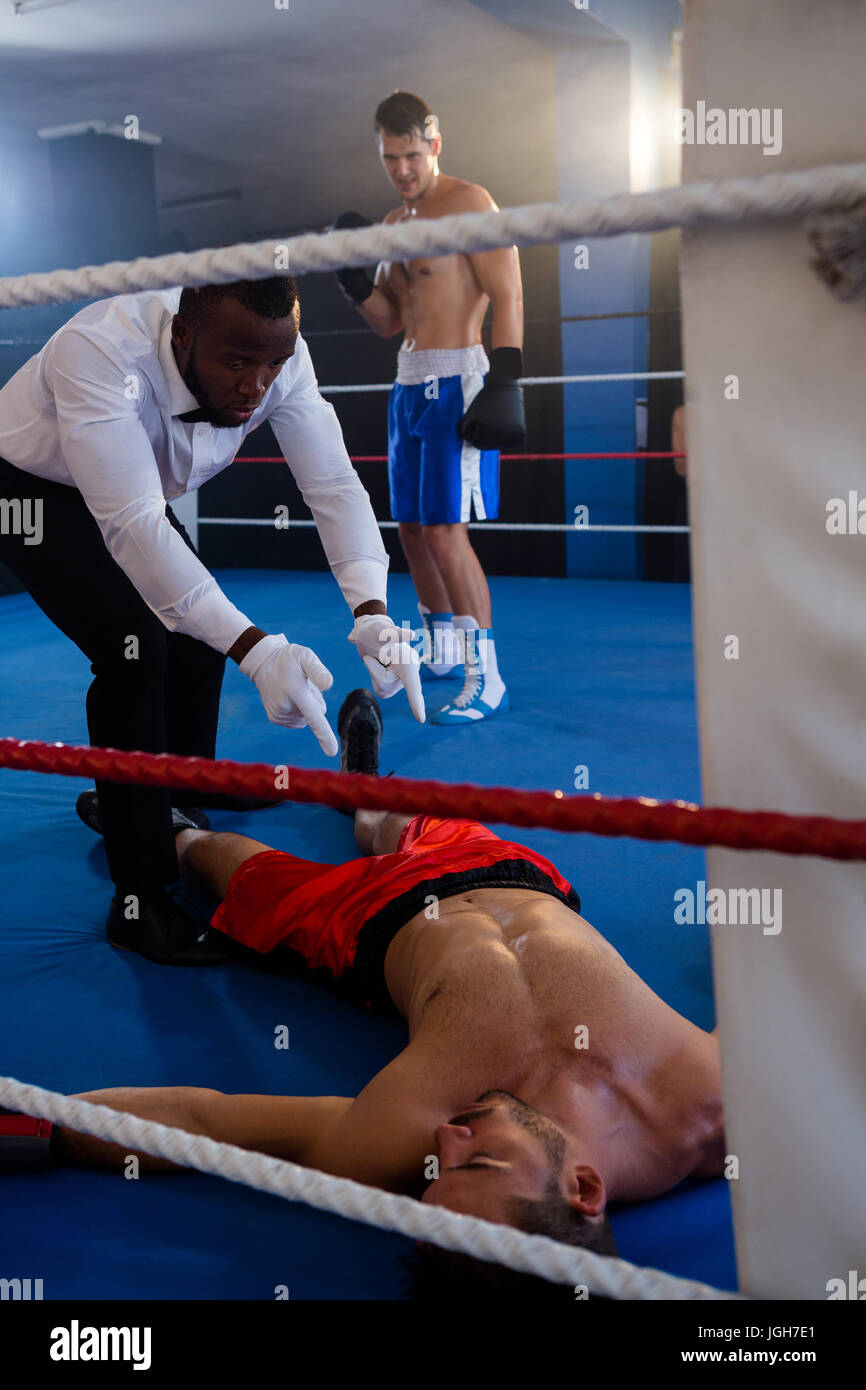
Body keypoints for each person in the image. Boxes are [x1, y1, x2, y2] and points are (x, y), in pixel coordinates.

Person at [7, 690, 725, 1295]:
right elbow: (806, 1004)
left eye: (434, 1173)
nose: (445, 1140)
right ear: (584, 1189)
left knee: (242, 877)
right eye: (475, 1160)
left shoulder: (398, 1135)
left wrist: (32, 1125)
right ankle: (363, 785)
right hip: (508, 875)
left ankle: (171, 833)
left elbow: (202, 1120)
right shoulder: (707, 1102)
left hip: (376, 923)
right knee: (396, 815)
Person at [0, 277, 421, 965]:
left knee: (197, 637)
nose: (257, 385)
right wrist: (257, 652)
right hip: (31, 488)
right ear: (183, 336)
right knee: (135, 652)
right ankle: (139, 899)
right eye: (237, 364)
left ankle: (177, 797)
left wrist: (371, 609)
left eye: (272, 365)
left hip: (123, 481)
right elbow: (133, 525)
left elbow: (334, 485)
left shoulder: (276, 352)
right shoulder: (100, 349)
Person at [333, 91, 526, 725]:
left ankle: (485, 677)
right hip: (407, 381)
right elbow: (389, 321)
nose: (404, 170)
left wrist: (507, 378)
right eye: (392, 159)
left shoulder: (470, 203)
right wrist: (356, 282)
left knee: (446, 531)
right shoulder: (393, 224)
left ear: (434, 143)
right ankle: (442, 652)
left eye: (412, 155)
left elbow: (508, 291)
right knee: (412, 532)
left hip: (458, 377)